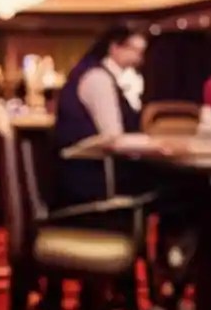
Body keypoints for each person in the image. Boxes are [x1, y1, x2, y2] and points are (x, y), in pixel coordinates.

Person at [52, 25, 148, 206]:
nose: (139, 58)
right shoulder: (98, 78)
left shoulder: (95, 73)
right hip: (90, 176)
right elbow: (113, 137)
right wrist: (154, 145)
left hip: (85, 171)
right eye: (135, 50)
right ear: (114, 48)